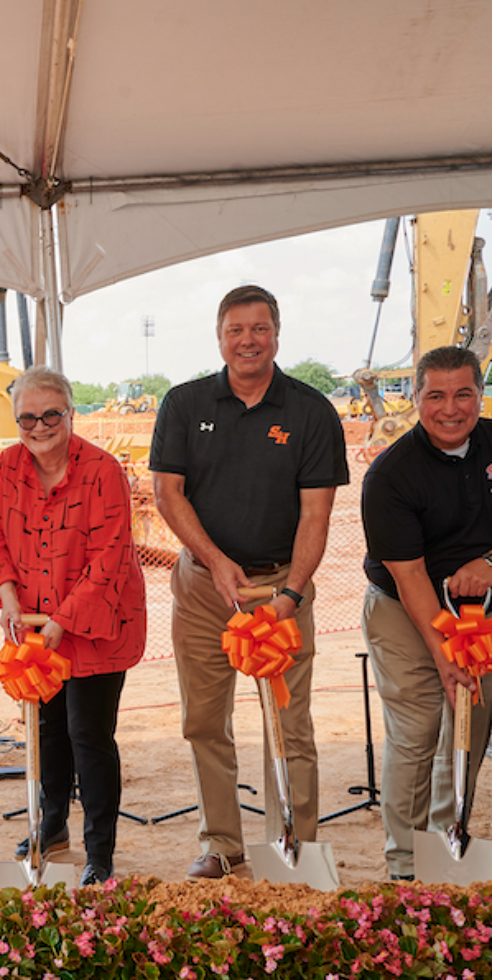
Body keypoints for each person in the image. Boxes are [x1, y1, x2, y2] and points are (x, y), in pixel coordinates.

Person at [150, 285, 349, 880]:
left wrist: (291, 595)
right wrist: (212, 561)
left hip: (280, 590)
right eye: (236, 330)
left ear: (277, 335)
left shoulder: (310, 411)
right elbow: (167, 493)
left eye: (259, 329)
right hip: (204, 589)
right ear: (220, 337)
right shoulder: (183, 404)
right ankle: (222, 845)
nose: (248, 341)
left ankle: (293, 844)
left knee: (290, 724)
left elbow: (317, 514)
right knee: (204, 721)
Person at [360, 346, 492, 879]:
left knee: (469, 728)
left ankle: (448, 843)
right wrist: (443, 650)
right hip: (405, 610)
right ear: (416, 400)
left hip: (486, 611)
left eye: (462, 394)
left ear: (480, 395)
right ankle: (405, 863)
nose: (449, 408)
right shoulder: (390, 473)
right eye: (435, 395)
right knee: (416, 731)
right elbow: (407, 576)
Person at [0, 367, 146, 885]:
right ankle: (52, 826)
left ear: (70, 414)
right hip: (32, 623)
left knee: (87, 733)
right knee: (46, 730)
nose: (40, 426)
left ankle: (100, 850)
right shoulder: (8, 465)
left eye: (51, 414)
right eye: (28, 417)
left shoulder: (103, 469)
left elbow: (110, 554)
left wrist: (62, 621)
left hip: (96, 620)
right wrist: (7, 597)